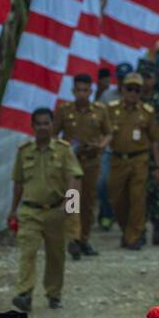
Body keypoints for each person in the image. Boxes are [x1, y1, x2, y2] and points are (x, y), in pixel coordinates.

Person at [6, 108, 84, 311]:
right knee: (28, 252)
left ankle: (53, 293)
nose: (43, 127)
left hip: (55, 211)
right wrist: (13, 210)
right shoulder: (24, 152)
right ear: (33, 127)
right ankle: (24, 293)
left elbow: (75, 177)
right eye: (38, 123)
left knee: (55, 255)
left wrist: (71, 205)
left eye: (46, 123)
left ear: (52, 125)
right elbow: (18, 184)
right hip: (30, 212)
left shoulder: (63, 150)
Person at [55, 72, 112, 257]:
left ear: (91, 91)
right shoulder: (65, 111)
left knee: (87, 203)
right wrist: (65, 149)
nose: (82, 94)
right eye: (78, 90)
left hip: (91, 162)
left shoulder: (100, 110)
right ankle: (73, 238)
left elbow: (109, 133)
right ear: (73, 90)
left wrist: (100, 146)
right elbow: (54, 135)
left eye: (85, 90)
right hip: (72, 164)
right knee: (72, 200)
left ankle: (84, 239)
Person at [106, 71, 159, 250]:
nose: (132, 93)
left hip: (139, 159)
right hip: (117, 159)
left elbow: (154, 140)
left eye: (136, 90)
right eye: (129, 88)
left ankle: (134, 236)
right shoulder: (111, 109)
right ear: (122, 89)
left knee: (137, 198)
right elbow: (104, 133)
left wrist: (158, 166)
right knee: (117, 198)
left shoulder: (147, 112)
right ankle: (127, 230)